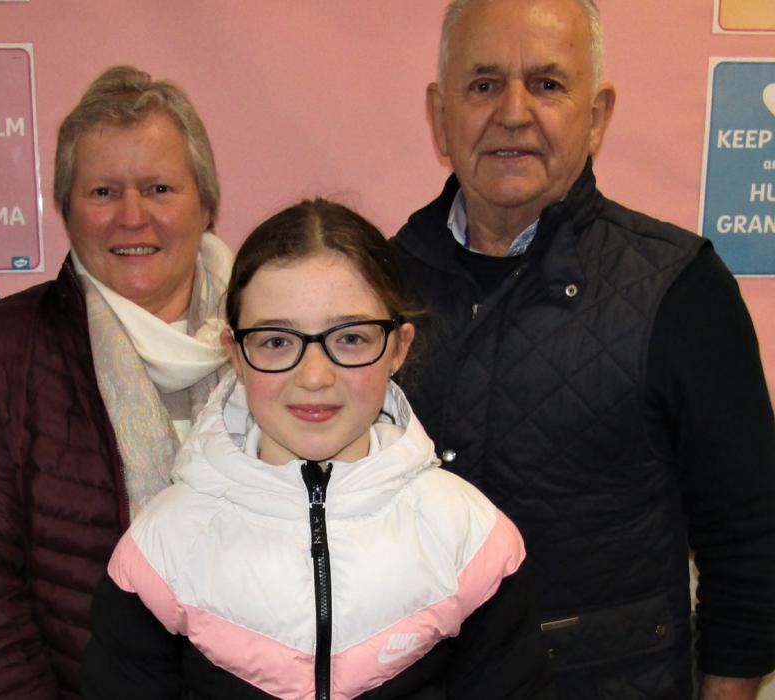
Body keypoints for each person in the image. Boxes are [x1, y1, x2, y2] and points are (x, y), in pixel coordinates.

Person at [392, 1, 775, 698]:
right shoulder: (376, 287)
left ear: (596, 115)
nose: (512, 112)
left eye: (546, 84)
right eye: (482, 84)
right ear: (439, 114)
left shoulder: (681, 290)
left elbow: (750, 547)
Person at [81, 199, 552, 699]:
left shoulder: (468, 537)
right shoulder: (163, 546)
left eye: (349, 338)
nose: (314, 376)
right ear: (235, 354)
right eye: (277, 341)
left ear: (398, 347)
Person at [0, 65, 232, 699]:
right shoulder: (2, 350)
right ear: (66, 209)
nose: (133, 217)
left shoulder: (274, 339)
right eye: (103, 192)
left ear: (206, 202)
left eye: (160, 187)